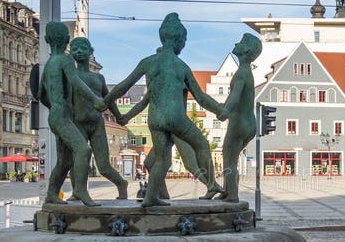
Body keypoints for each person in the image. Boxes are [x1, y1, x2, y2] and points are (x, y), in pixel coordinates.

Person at [105, 13, 224, 206]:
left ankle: (151, 197)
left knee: (161, 160)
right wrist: (220, 110)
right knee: (201, 144)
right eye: (184, 41)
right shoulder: (181, 66)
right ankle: (212, 183)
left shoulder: (148, 62)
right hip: (176, 118)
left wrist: (106, 101)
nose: (184, 45)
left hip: (155, 119)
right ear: (178, 40)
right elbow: (201, 97)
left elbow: (123, 87)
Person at [37, 21, 106, 207]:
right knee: (84, 150)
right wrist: (95, 100)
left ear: (46, 40)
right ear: (68, 40)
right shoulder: (66, 60)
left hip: (56, 115)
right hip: (63, 117)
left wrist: (54, 106)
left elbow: (40, 93)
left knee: (65, 160)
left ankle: (52, 194)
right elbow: (76, 82)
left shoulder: (50, 62)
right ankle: (81, 191)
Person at [68, 37, 129, 200]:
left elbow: (108, 99)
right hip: (77, 123)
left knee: (103, 166)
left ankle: (121, 184)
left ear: (90, 52)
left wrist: (119, 117)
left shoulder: (98, 78)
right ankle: (77, 191)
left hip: (96, 124)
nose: (79, 51)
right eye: (75, 49)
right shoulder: (70, 76)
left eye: (83, 48)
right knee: (76, 160)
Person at [216, 32, 262, 202]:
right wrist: (223, 106)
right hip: (249, 123)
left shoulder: (242, 72)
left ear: (246, 50)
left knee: (228, 158)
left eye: (241, 42)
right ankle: (228, 191)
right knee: (231, 159)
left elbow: (235, 96)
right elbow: (235, 97)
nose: (237, 43)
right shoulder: (245, 71)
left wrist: (225, 111)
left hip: (239, 123)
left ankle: (232, 195)